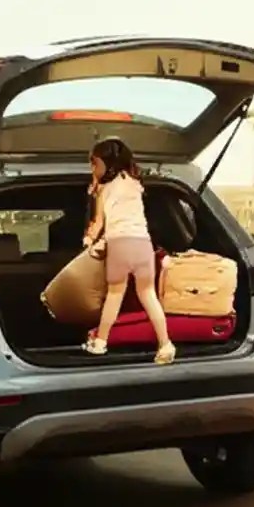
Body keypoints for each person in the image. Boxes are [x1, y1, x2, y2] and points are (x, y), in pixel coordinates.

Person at [82, 137, 175, 363]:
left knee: (114, 295)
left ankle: (100, 342)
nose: (92, 168)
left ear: (106, 164)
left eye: (94, 163)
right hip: (143, 244)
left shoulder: (104, 188)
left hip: (121, 244)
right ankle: (165, 344)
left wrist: (88, 239)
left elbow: (99, 222)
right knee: (149, 295)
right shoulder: (135, 183)